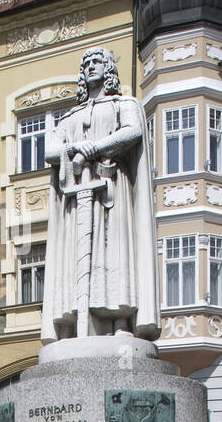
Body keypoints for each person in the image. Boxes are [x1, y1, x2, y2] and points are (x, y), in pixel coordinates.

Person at [41, 47, 160, 344]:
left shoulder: (124, 104)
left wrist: (94, 148)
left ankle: (119, 319)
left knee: (115, 251)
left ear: (109, 69)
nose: (91, 67)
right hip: (75, 198)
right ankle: (71, 321)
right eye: (87, 63)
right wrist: (73, 151)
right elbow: (50, 151)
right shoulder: (69, 117)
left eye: (98, 62)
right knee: (72, 260)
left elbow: (133, 132)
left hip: (112, 192)